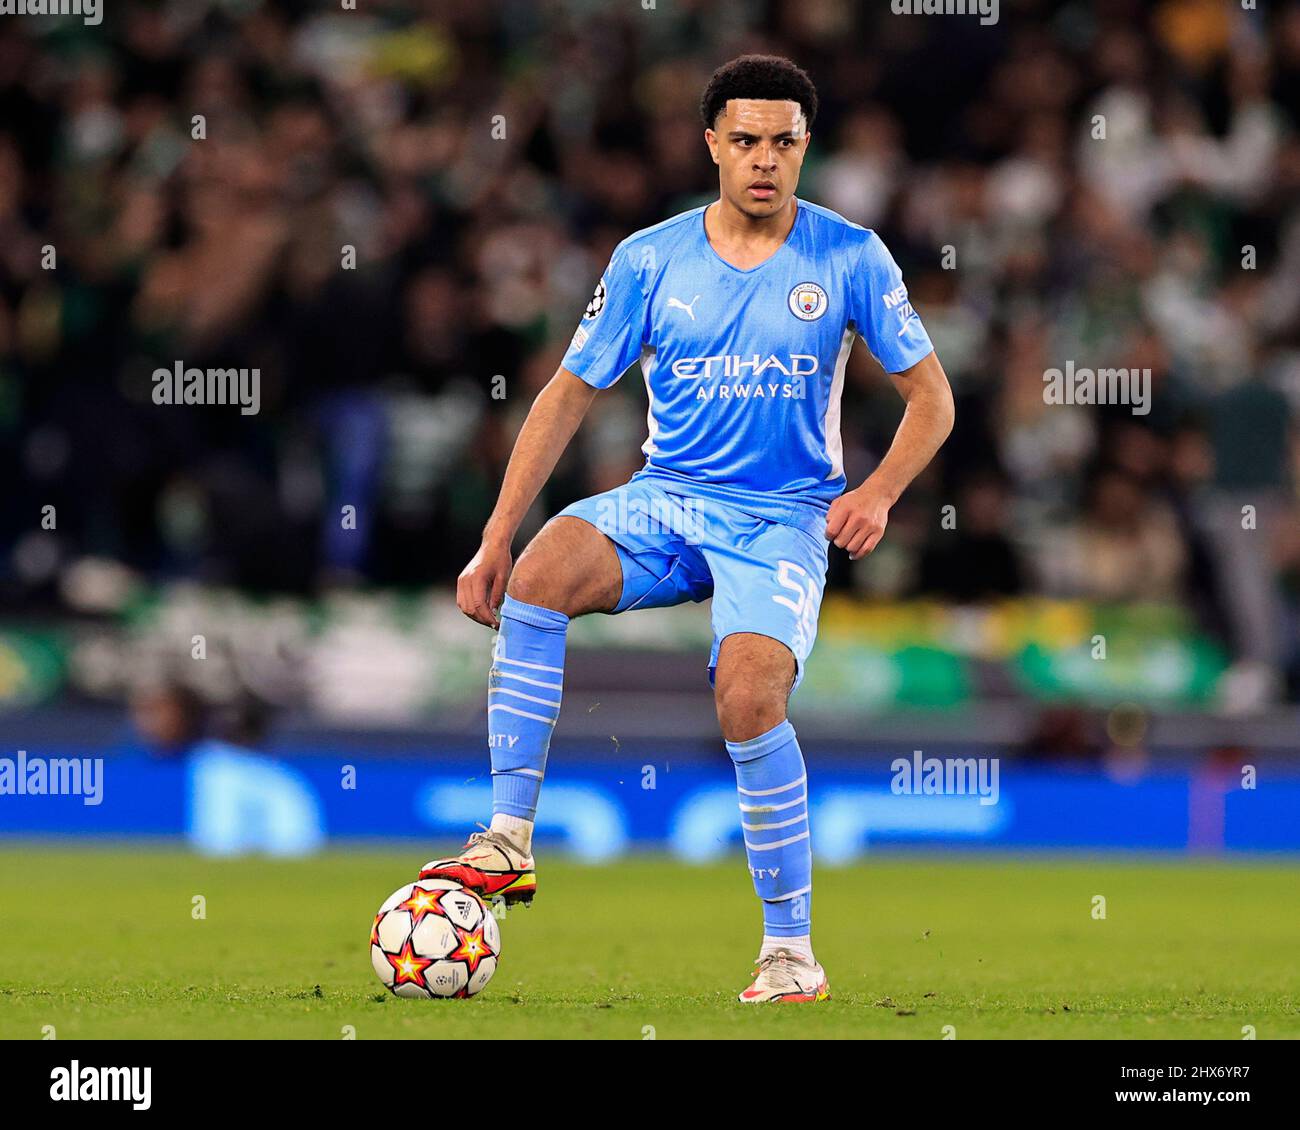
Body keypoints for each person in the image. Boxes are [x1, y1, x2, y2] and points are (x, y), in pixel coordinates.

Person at [421, 55, 953, 1003]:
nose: (764, 160)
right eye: (745, 140)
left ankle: (790, 954)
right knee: (542, 573)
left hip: (781, 518)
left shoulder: (849, 256)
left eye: (783, 142)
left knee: (749, 701)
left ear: (804, 148)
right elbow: (563, 396)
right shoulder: (649, 258)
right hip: (668, 496)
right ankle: (506, 840)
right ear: (712, 143)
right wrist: (497, 531)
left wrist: (876, 494)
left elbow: (933, 401)